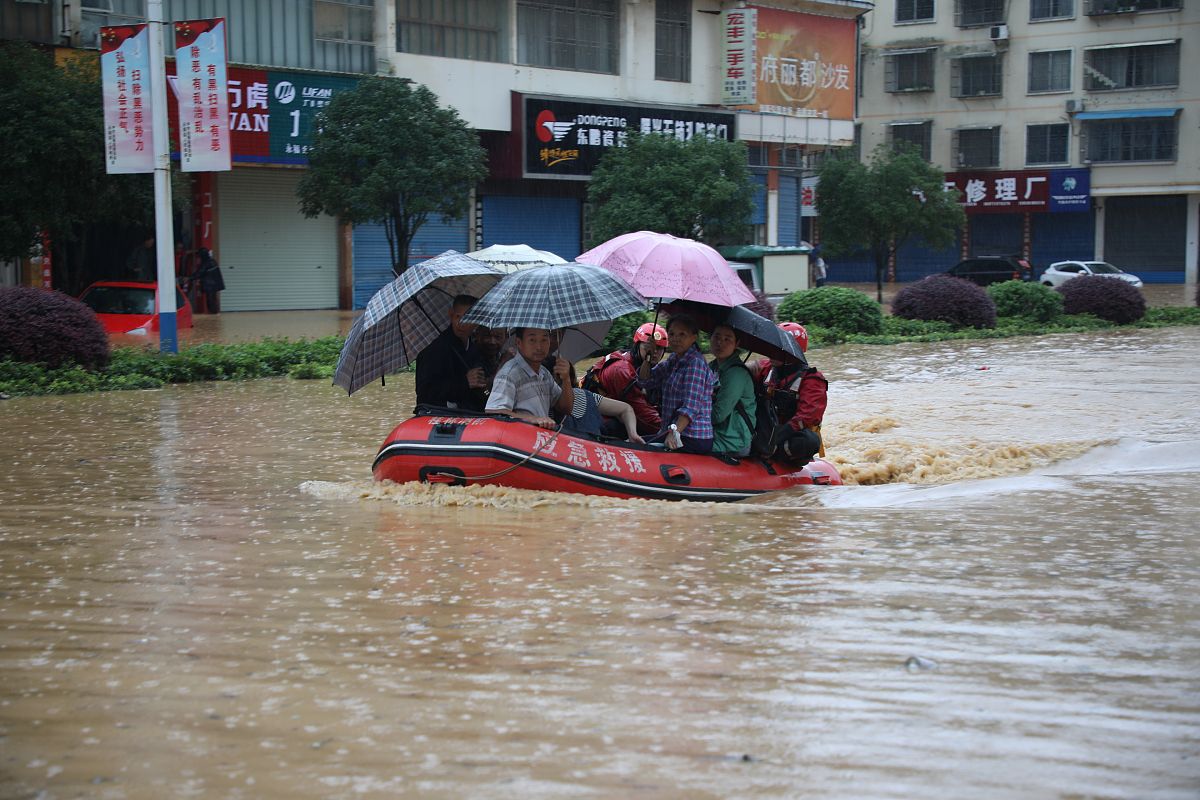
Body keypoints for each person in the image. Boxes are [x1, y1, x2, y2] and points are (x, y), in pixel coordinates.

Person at [638, 314, 716, 454]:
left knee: (644, 450)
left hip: (692, 436)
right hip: (673, 430)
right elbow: (646, 381)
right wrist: (648, 357)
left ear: (694, 337)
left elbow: (690, 407)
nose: (675, 339)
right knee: (636, 443)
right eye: (672, 333)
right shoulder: (674, 359)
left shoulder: (695, 364)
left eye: (682, 334)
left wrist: (674, 434)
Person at [583, 322, 667, 436]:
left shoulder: (631, 359)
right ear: (637, 345)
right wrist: (670, 430)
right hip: (598, 419)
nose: (655, 352)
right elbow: (645, 417)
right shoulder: (623, 371)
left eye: (660, 348)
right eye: (649, 347)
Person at [761, 322, 828, 465]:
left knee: (809, 441)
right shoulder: (768, 369)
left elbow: (807, 417)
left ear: (793, 351)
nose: (770, 351)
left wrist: (774, 440)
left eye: (776, 347)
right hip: (766, 430)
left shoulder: (812, 380)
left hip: (789, 436)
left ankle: (776, 455)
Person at [485, 327, 573, 428]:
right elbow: (494, 412)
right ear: (519, 343)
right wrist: (533, 419)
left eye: (544, 340)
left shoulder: (544, 373)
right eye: (532, 340)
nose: (539, 347)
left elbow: (566, 408)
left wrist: (566, 379)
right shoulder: (509, 374)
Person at [415, 294, 487, 412]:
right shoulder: (435, 349)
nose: (461, 323)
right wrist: (465, 381)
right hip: (440, 414)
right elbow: (424, 392)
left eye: (467, 318)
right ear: (451, 314)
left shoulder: (474, 347)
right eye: (458, 316)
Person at [708, 324, 757, 457]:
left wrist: (689, 417)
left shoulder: (736, 373)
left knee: (685, 443)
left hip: (732, 441)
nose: (720, 343)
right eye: (716, 336)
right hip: (715, 432)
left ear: (737, 344)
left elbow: (718, 415)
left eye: (727, 339)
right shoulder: (712, 366)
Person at [193, 248, 224, 313]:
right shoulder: (211, 261)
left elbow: (200, 272)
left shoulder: (207, 262)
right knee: (212, 299)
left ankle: (213, 313)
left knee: (211, 300)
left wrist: (190, 278)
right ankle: (214, 313)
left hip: (211, 285)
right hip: (213, 284)